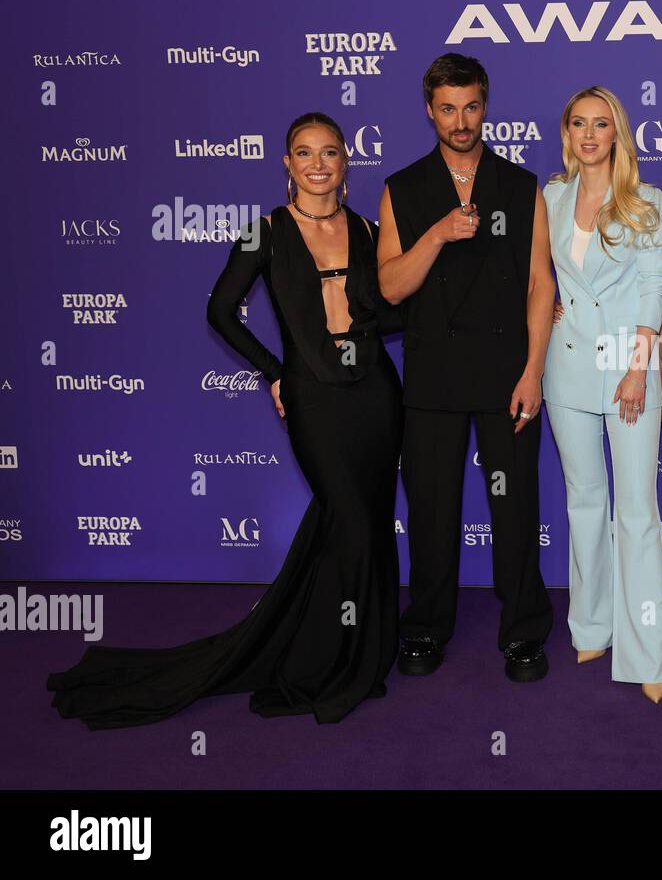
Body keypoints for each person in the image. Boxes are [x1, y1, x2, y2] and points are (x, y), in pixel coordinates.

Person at [47, 112, 404, 728]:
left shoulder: (370, 231)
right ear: (286, 165)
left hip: (375, 395)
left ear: (347, 163)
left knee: (367, 522)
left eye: (330, 153)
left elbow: (398, 313)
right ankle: (329, 661)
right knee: (349, 522)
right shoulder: (260, 232)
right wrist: (273, 371)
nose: (318, 165)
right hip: (314, 402)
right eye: (304, 153)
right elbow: (218, 310)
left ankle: (364, 656)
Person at [376, 52, 556, 682]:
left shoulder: (519, 184)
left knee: (516, 509)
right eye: (448, 108)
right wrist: (437, 235)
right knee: (430, 509)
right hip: (432, 374)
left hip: (507, 371)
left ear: (486, 106)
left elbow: (541, 284)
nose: (460, 120)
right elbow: (391, 289)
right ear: (429, 110)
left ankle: (525, 632)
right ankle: (424, 627)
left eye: (471, 106)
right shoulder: (402, 188)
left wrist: (534, 371)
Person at [544, 86, 662, 704]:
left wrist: (637, 367)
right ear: (567, 133)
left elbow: (656, 286)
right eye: (579, 124)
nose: (590, 134)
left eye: (601, 124)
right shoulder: (549, 197)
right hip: (564, 370)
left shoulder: (646, 201)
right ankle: (590, 624)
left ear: (618, 133)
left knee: (638, 512)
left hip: (629, 371)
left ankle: (648, 647)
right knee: (585, 503)